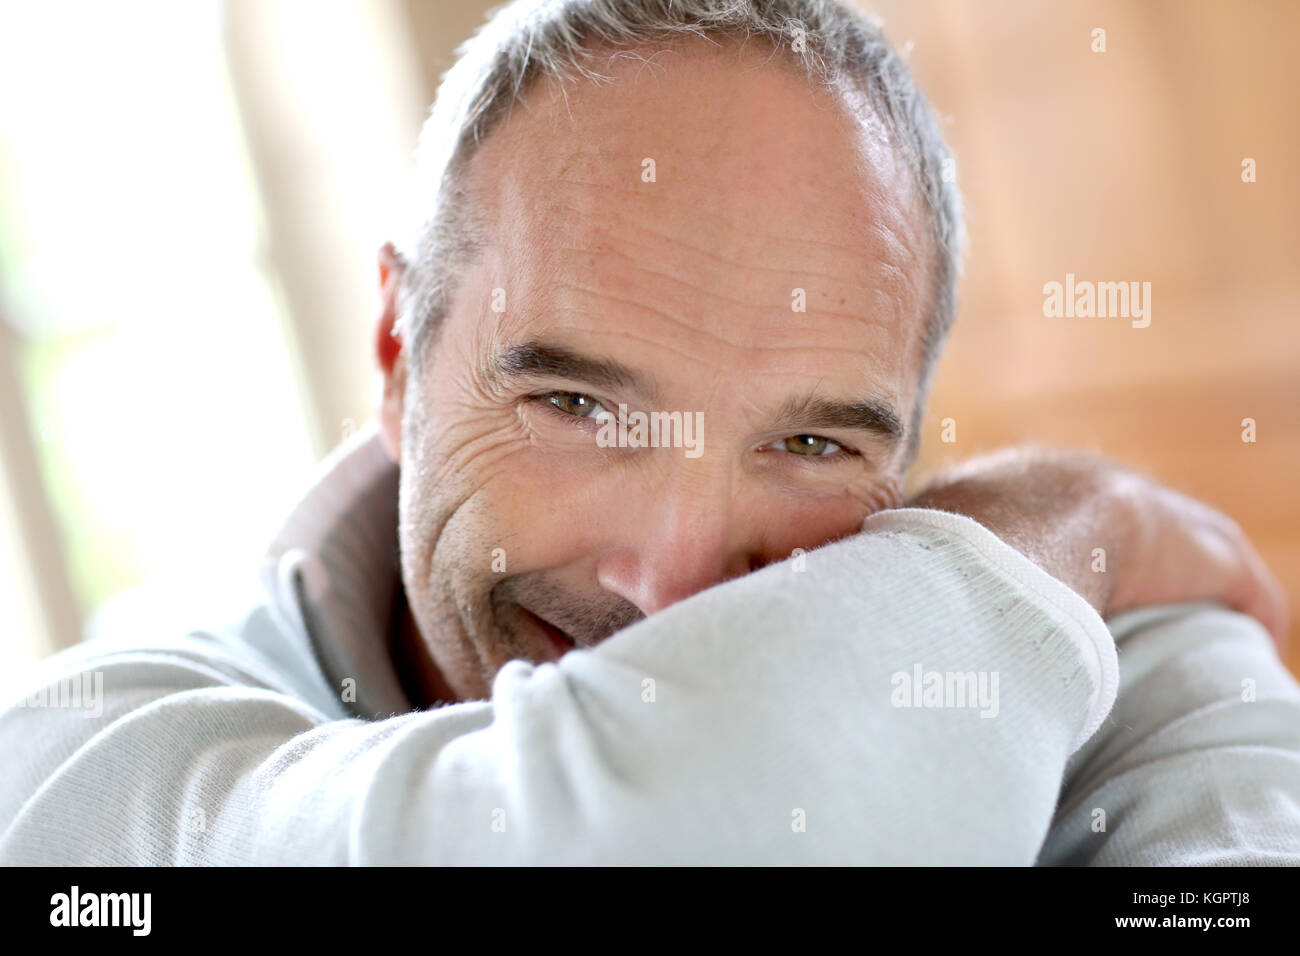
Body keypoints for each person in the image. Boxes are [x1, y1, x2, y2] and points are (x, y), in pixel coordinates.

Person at [2, 0, 1297, 865]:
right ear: (398, 355)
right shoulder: (84, 766)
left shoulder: (1113, 636)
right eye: (576, 406)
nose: (672, 586)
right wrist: (1065, 519)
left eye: (811, 447)